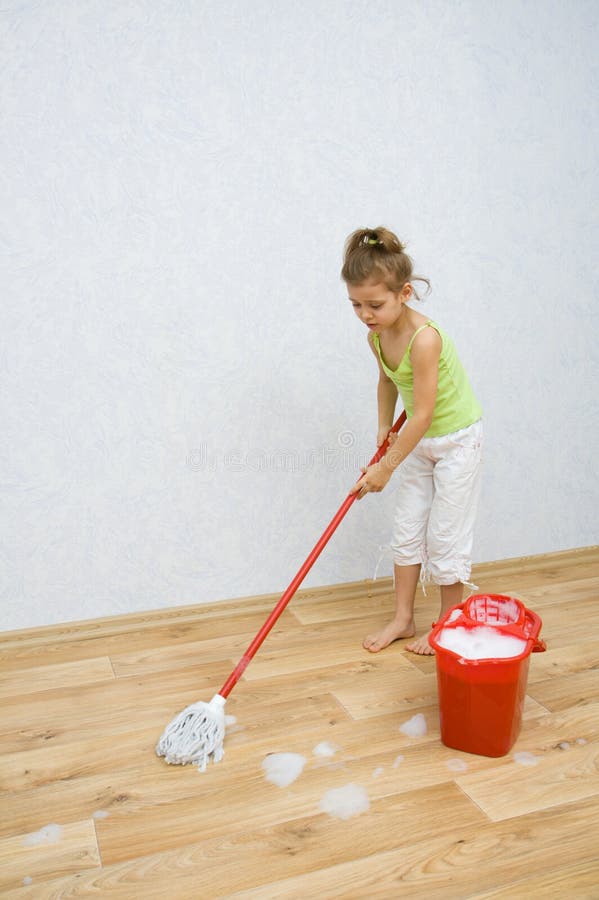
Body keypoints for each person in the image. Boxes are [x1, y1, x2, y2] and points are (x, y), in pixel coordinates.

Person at [343, 227, 483, 655]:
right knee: (406, 529)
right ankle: (403, 619)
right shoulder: (376, 336)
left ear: (404, 293)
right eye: (356, 305)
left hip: (457, 441)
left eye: (375, 304)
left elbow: (422, 413)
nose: (366, 314)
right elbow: (387, 379)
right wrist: (385, 427)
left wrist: (386, 466)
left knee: (445, 535)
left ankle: (449, 622)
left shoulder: (426, 339)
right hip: (417, 442)